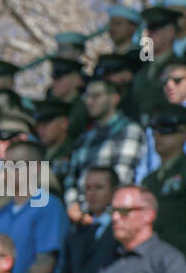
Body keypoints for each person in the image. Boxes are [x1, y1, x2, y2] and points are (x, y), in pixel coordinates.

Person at [0, 139, 68, 273]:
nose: (7, 172)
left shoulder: (48, 207)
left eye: (15, 165)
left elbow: (44, 265)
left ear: (36, 168)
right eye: (5, 165)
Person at [61, 78, 145, 220]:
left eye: (96, 96)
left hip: (113, 214)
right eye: (87, 97)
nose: (89, 102)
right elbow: (71, 177)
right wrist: (73, 205)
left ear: (114, 99)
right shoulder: (84, 138)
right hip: (82, 216)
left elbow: (121, 177)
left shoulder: (129, 130)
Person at [139, 103, 186, 272]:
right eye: (155, 131)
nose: (158, 137)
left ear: (184, 135)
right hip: (152, 265)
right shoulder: (149, 180)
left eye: (166, 131)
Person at [134, 56, 186, 182]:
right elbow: (147, 159)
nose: (169, 86)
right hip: (155, 183)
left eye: (177, 80)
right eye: (165, 82)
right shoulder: (158, 115)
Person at [133, 6, 180, 124]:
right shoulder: (140, 70)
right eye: (148, 29)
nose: (148, 34)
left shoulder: (181, 67)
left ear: (170, 32)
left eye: (154, 29)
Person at [34, 98, 74, 203]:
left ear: (64, 123)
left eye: (46, 123)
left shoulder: (73, 151)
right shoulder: (37, 153)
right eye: (38, 124)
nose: (41, 129)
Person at [46, 57, 89, 141]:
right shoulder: (52, 107)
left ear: (77, 80)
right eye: (53, 78)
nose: (54, 82)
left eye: (59, 77)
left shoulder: (85, 107)